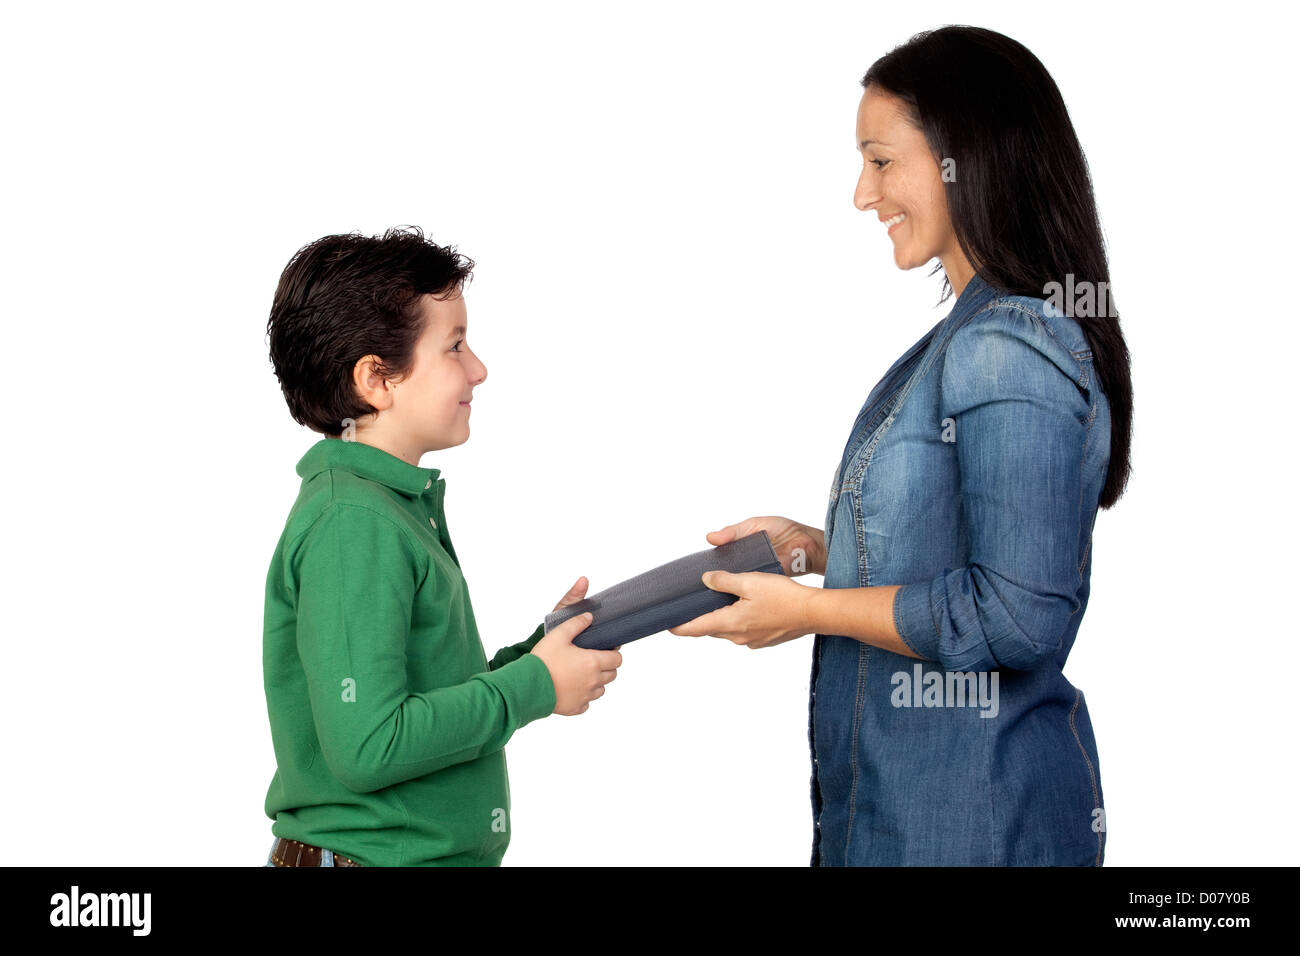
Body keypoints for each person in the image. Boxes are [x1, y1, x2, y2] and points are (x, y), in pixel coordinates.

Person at [670, 26, 1132, 866]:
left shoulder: (1006, 344)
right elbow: (957, 549)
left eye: (881, 161)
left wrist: (806, 611)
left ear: (968, 157)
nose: (861, 193)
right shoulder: (963, 340)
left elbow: (1020, 616)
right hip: (903, 816)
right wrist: (821, 548)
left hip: (975, 826)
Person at [260, 226, 621, 866]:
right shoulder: (354, 524)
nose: (478, 368)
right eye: (454, 346)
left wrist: (532, 657)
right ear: (378, 379)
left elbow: (420, 703)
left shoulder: (388, 508)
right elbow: (369, 742)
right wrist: (533, 686)